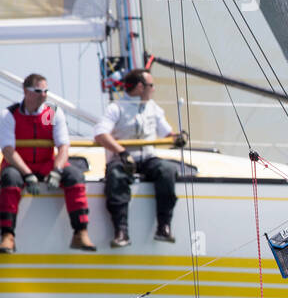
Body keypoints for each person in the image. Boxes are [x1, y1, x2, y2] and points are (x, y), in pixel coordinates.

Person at [0, 73, 95, 252]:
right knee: (9, 180)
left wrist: (57, 170)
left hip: (46, 164)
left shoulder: (50, 113)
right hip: (18, 165)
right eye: (38, 91)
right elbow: (8, 150)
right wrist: (27, 174)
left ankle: (80, 232)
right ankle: (7, 235)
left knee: (74, 176)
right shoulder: (9, 115)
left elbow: (63, 146)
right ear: (26, 92)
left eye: (46, 91)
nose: (44, 95)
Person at [93, 68, 186, 247]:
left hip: (148, 159)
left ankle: (164, 226)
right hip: (123, 158)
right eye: (151, 85)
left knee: (167, 170)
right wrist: (121, 152)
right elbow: (100, 134)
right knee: (116, 176)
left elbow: (168, 134)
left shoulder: (153, 108)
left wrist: (178, 138)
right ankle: (121, 232)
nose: (153, 89)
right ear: (140, 87)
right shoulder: (116, 108)